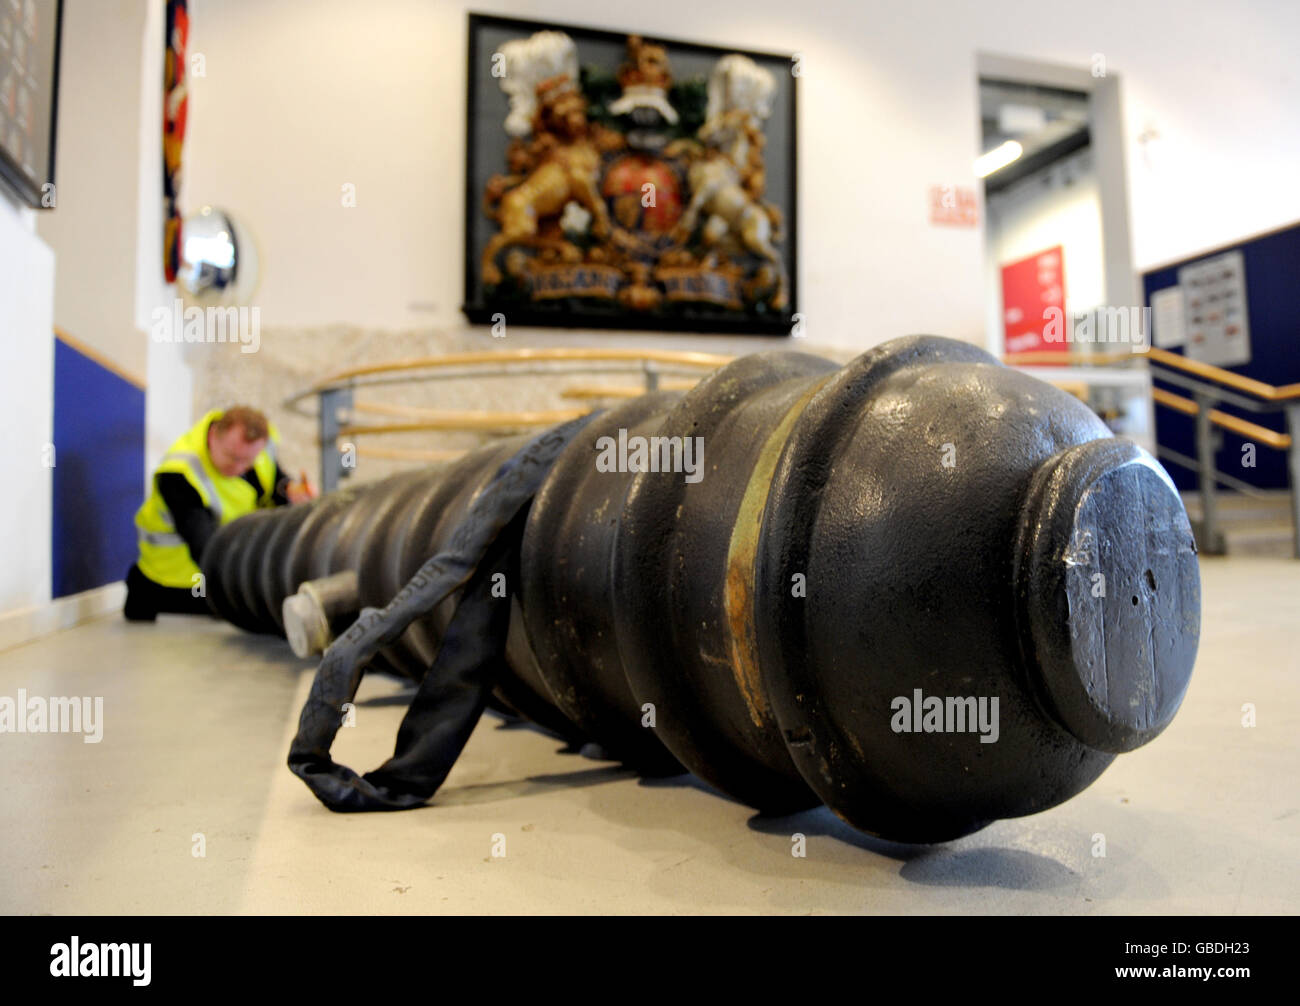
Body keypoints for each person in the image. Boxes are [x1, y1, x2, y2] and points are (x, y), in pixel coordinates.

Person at [124, 405, 315, 622]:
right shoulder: (179, 474)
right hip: (184, 577)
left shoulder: (256, 447)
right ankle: (143, 590)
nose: (240, 468)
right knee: (250, 606)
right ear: (213, 435)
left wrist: (288, 490)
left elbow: (271, 481)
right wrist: (253, 586)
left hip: (230, 553)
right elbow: (206, 550)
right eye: (232, 458)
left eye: (248, 461)